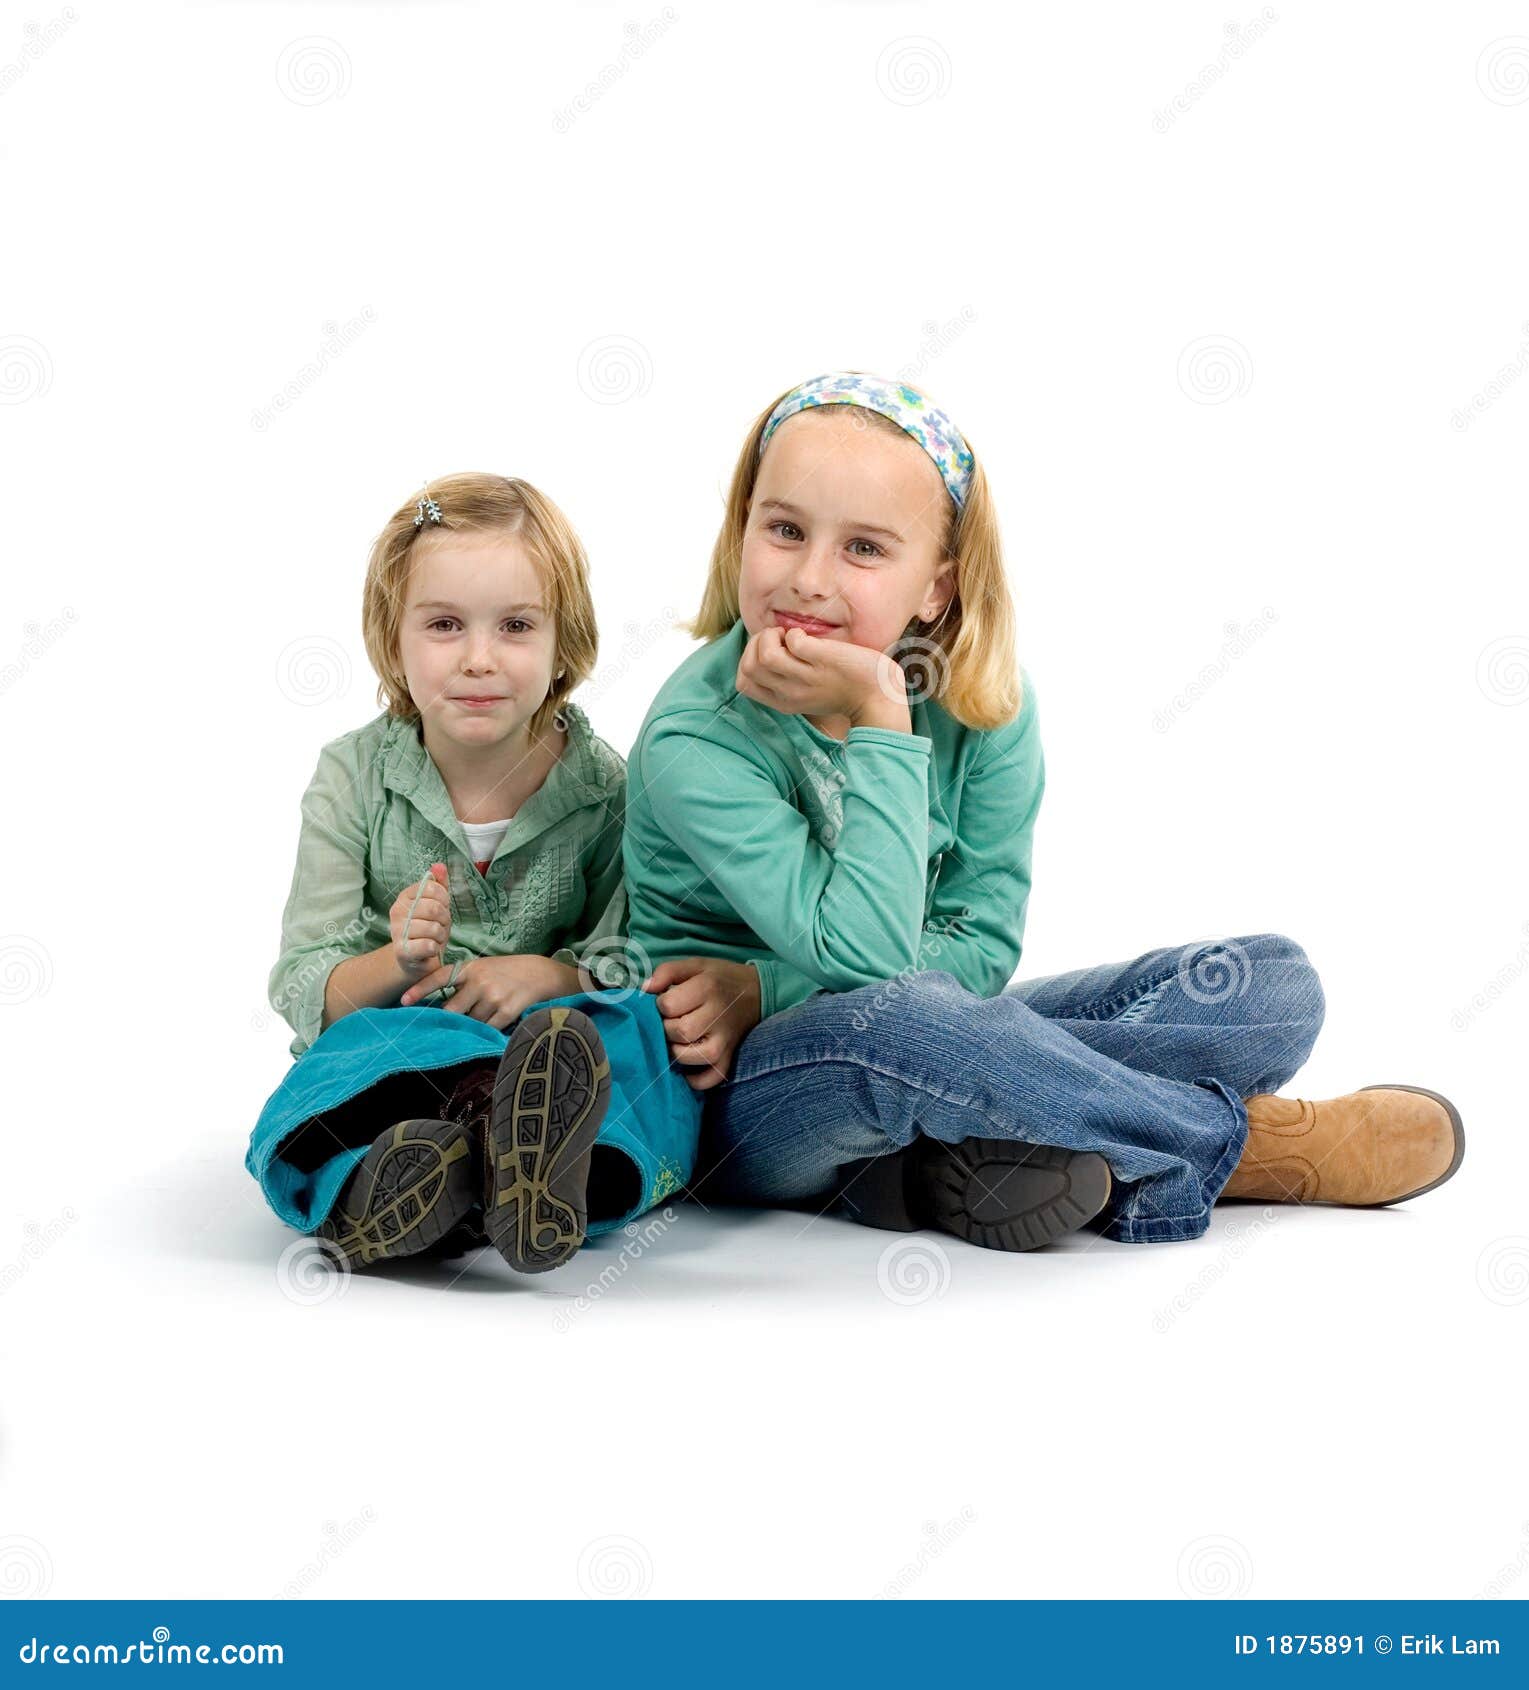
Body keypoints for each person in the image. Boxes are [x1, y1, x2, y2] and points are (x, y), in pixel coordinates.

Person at [623, 372, 1464, 1250]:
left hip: (922, 1029)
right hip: (739, 1097)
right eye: (784, 529)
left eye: (864, 549)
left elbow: (981, 948)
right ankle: (1237, 1149)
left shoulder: (985, 706)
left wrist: (763, 986)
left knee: (1271, 981)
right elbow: (871, 963)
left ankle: (974, 1144)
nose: (807, 578)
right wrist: (880, 714)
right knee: (911, 1023)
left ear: (935, 589)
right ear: (741, 530)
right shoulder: (698, 736)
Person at [246, 473, 699, 1275]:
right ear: (393, 641)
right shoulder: (351, 779)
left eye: (516, 625)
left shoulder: (607, 792)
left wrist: (550, 973)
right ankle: (410, 1180)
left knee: (634, 1038)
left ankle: (524, 1168)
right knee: (348, 1060)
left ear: (567, 643)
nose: (480, 659)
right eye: (445, 625)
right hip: (408, 1049)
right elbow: (302, 983)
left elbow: (636, 953)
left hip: (552, 1049)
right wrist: (400, 964)